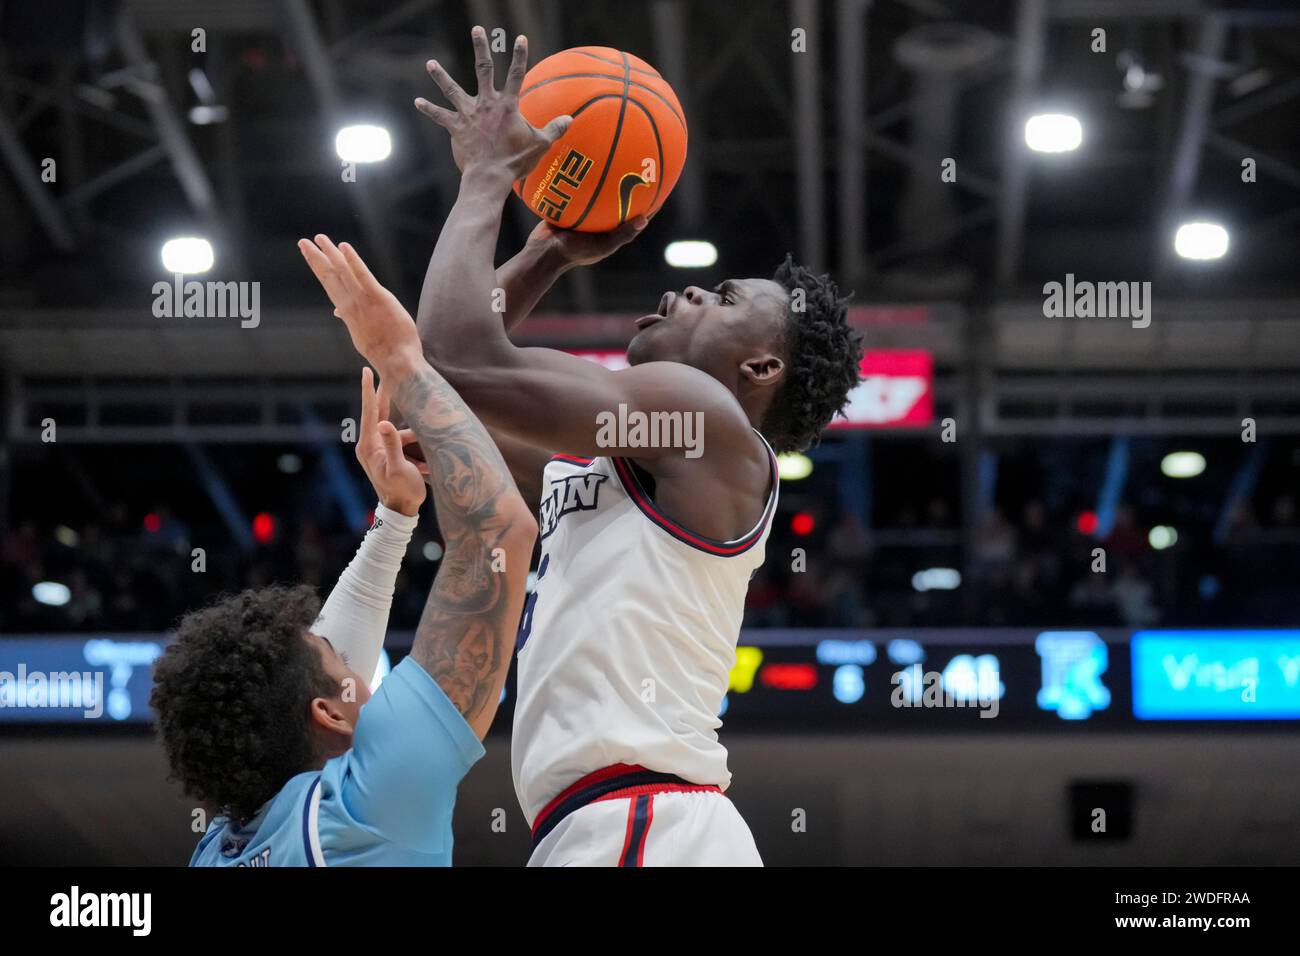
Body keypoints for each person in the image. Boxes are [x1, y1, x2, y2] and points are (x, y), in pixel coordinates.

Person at [396, 27, 863, 866]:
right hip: (620, 824)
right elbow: (432, 391)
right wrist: (544, 251)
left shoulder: (704, 421)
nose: (687, 289)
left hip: (644, 822)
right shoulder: (627, 457)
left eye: (722, 297)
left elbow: (457, 355)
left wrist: (489, 178)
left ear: (759, 367)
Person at [152, 244, 537, 866]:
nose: (355, 660)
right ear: (328, 712)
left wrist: (394, 518)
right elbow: (499, 534)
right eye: (336, 657)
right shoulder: (367, 807)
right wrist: (400, 359)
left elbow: (312, 674)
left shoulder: (224, 846)